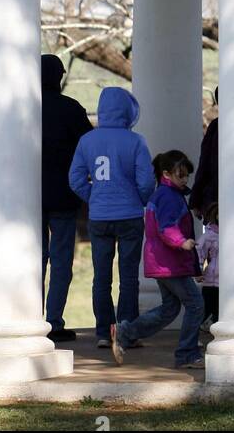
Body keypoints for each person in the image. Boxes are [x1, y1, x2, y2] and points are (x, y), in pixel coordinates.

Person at [69, 86, 154, 347]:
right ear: (128, 111)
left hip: (100, 217)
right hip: (129, 216)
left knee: (101, 277)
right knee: (128, 277)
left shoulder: (87, 141)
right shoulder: (136, 141)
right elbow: (146, 180)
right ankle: (126, 331)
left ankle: (104, 333)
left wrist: (94, 197)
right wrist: (139, 200)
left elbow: (75, 179)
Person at [113, 149, 205, 370]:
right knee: (195, 304)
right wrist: (182, 242)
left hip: (164, 263)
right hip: (170, 264)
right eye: (180, 175)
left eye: (186, 175)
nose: (184, 180)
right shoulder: (169, 197)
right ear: (166, 174)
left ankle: (125, 333)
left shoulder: (166, 195)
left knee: (169, 309)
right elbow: (166, 228)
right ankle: (187, 354)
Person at [41, 54, 92, 342]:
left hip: (30, 199)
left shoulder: (25, 109)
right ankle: (53, 323)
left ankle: (31, 321)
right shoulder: (72, 109)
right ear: (59, 77)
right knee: (61, 263)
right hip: (65, 196)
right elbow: (89, 146)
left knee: (35, 261)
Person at [188, 87, 217, 220]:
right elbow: (205, 163)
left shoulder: (216, 126)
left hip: (215, 198)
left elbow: (205, 163)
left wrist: (196, 199)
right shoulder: (215, 127)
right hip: (216, 199)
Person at [196, 202, 219, 326]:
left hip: (226, 281)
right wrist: (198, 270)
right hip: (212, 280)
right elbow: (199, 252)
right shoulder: (209, 236)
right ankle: (192, 336)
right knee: (206, 309)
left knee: (220, 312)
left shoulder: (233, 234)